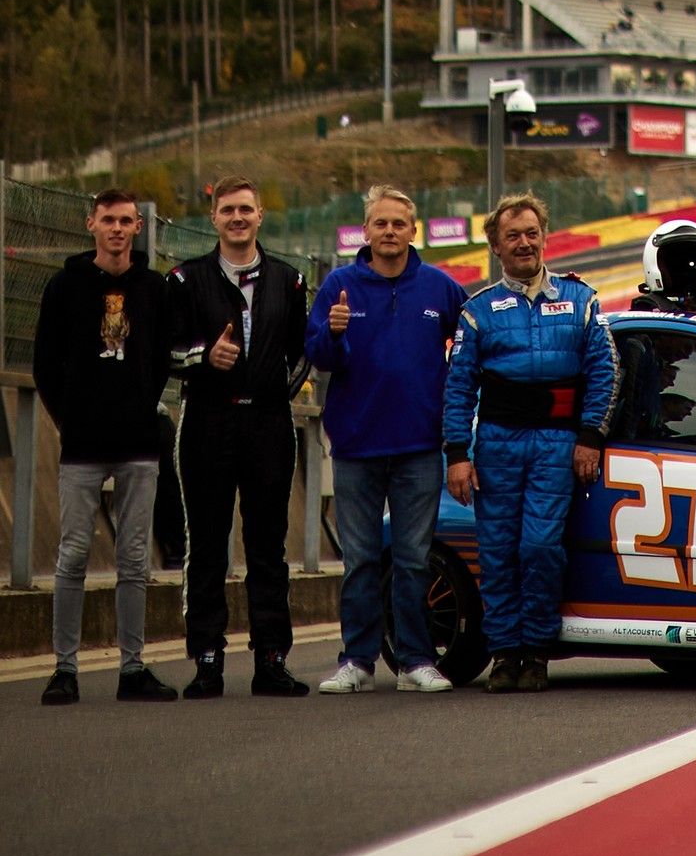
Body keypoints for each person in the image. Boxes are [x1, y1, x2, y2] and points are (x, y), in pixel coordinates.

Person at [443, 192, 618, 694]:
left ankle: (537, 651)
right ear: (497, 247)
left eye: (531, 233)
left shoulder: (581, 299)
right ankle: (504, 654)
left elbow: (603, 371)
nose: (524, 243)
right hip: (496, 444)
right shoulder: (478, 310)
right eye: (512, 236)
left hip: (558, 446)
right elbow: (458, 386)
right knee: (498, 552)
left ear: (545, 236)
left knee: (540, 548)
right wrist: (458, 454)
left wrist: (589, 437)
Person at [306, 187, 470, 695]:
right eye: (380, 224)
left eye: (399, 223)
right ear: (366, 231)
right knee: (359, 560)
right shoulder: (339, 285)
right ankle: (356, 660)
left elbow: (470, 347)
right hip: (356, 447)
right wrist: (332, 332)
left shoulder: (440, 288)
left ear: (413, 230)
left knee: (413, 559)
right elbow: (316, 354)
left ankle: (416, 661)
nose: (390, 232)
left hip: (420, 448)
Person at [167, 175, 310, 699]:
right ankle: (207, 660)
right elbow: (167, 353)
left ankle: (271, 659)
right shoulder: (184, 280)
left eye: (245, 209)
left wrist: (277, 391)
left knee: (268, 547)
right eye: (228, 210)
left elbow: (303, 351)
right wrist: (206, 358)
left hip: (268, 425)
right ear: (214, 218)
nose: (237, 218)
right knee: (206, 546)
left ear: (260, 215)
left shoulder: (290, 281)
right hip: (207, 421)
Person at [34, 190, 177, 705]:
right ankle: (64, 669)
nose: (116, 229)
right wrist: (71, 420)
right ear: (91, 223)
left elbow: (162, 357)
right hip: (83, 446)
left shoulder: (154, 288)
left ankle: (132, 668)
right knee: (72, 555)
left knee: (134, 559)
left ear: (138, 227)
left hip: (138, 442)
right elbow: (45, 366)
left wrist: (140, 402)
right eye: (107, 220)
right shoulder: (64, 286)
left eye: (125, 221)